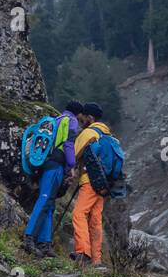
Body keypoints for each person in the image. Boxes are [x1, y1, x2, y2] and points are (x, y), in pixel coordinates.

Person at [22, 101, 82, 256]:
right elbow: (68, 144)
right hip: (56, 165)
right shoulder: (71, 121)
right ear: (78, 113)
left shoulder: (55, 120)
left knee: (49, 203)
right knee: (45, 199)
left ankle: (45, 243)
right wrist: (71, 166)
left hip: (45, 164)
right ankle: (29, 238)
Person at [71, 102, 113, 265]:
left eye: (83, 117)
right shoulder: (107, 135)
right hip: (103, 183)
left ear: (90, 117)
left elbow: (73, 154)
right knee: (95, 220)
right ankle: (97, 259)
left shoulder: (88, 133)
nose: (81, 120)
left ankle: (82, 252)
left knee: (79, 214)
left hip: (90, 181)